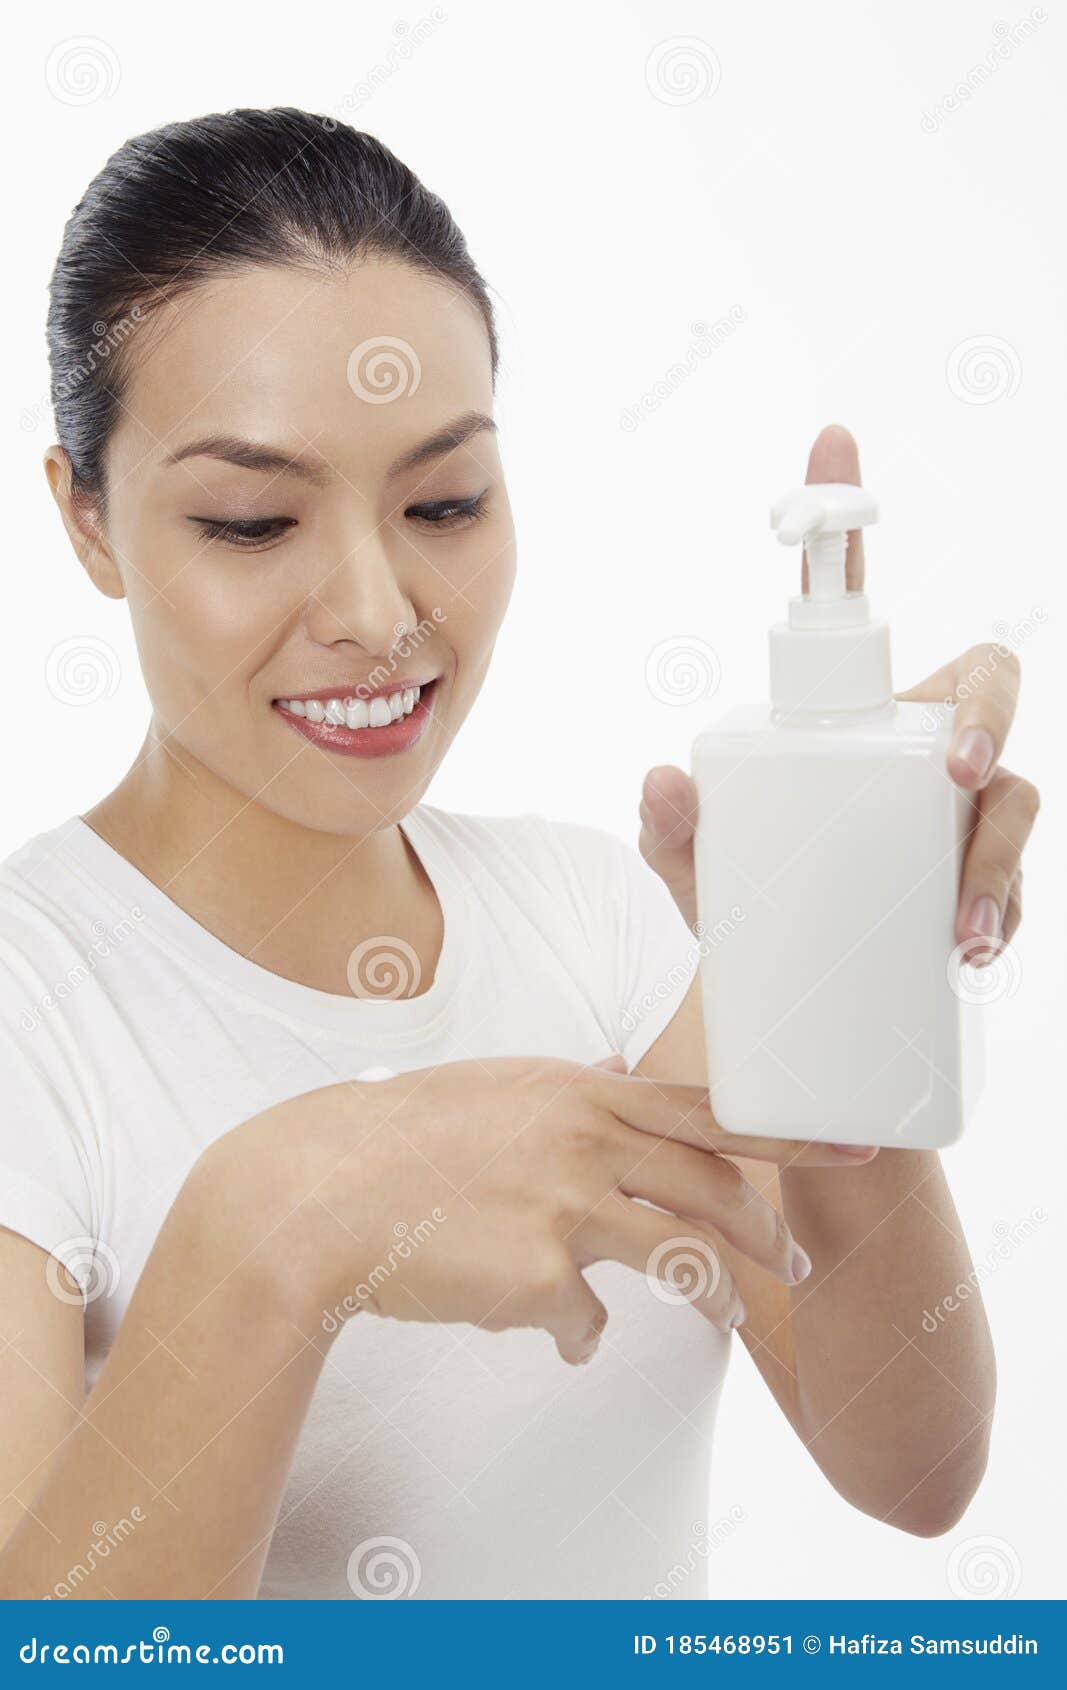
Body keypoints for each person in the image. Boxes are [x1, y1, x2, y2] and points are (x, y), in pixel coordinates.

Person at [0, 109, 1039, 1601]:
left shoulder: (599, 925)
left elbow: (916, 1467)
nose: (375, 606)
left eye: (443, 503)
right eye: (251, 519)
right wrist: (281, 1222)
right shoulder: (34, 1010)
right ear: (86, 520)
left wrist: (844, 960)